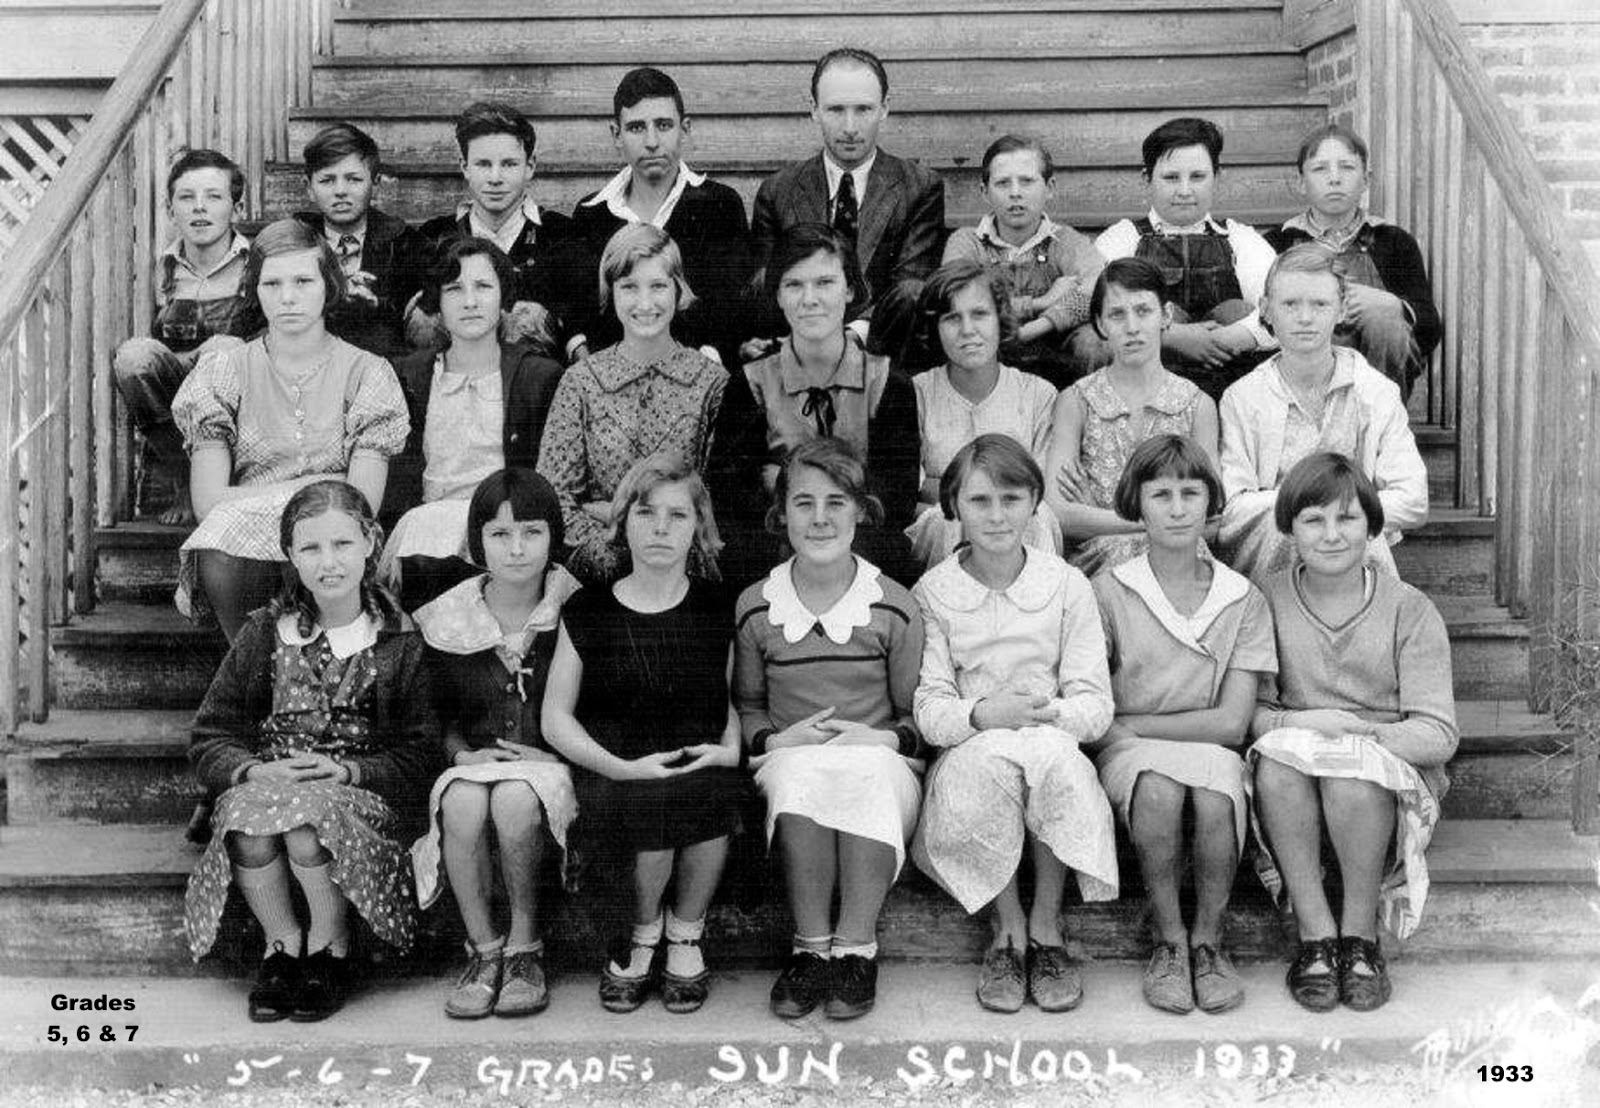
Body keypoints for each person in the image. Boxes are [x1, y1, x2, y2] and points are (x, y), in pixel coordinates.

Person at [183, 480, 437, 1022]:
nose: (329, 562)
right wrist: (251, 771)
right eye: (311, 548)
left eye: (342, 544)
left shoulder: (397, 640)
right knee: (249, 824)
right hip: (268, 787)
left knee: (305, 826)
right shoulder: (264, 634)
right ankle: (281, 946)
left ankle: (330, 946)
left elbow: (420, 752)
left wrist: (348, 771)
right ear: (290, 555)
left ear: (370, 543)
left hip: (354, 795)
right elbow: (210, 735)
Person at [910, 434, 1117, 1014]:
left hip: (1048, 730)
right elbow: (930, 708)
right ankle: (1007, 928)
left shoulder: (1066, 585)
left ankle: (1047, 925)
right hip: (971, 743)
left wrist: (1042, 714)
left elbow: (1094, 703)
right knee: (991, 763)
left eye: (1011, 498)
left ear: (1034, 503)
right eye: (979, 501)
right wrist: (982, 714)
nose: (997, 515)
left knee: (1050, 758)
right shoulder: (934, 592)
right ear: (953, 505)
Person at [1249, 452, 1457, 1012]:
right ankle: (1315, 935)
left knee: (1350, 778)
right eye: (1313, 520)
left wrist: (1359, 736)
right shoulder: (1265, 599)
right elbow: (1252, 713)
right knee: (1278, 764)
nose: (1331, 534)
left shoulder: (1409, 609)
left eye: (1347, 518)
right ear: (1289, 528)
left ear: (1371, 525)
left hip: (1382, 771)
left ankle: (1361, 937)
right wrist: (1302, 724)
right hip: (1294, 765)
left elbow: (1438, 732)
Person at [542, 453, 744, 1014]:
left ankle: (685, 934)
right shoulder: (588, 609)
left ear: (698, 528)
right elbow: (556, 718)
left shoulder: (714, 607)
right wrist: (621, 767)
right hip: (615, 765)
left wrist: (729, 750)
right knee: (649, 799)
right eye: (646, 512)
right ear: (622, 521)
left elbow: (729, 698)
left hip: (695, 758)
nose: (660, 528)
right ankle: (641, 932)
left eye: (677, 516)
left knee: (709, 789)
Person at [733, 438, 925, 1021]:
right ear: (781, 513)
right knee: (799, 775)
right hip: (792, 756)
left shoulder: (894, 606)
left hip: (879, 757)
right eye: (804, 503)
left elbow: (915, 715)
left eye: (836, 502)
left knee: (865, 771)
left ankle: (857, 947)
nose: (820, 518)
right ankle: (811, 948)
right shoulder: (756, 606)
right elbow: (748, 706)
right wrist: (774, 741)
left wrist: (883, 739)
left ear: (861, 511)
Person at [1088, 434, 1277, 1015]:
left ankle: (1209, 941)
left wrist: (1136, 724)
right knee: (1158, 789)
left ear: (1211, 502)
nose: (1176, 508)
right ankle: (1169, 940)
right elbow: (1097, 710)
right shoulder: (1108, 591)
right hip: (1130, 756)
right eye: (1161, 494)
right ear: (1137, 503)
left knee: (1217, 795)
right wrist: (1124, 731)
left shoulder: (1242, 597)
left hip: (1194, 746)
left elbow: (1232, 723)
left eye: (1190, 493)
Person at [172, 218, 409, 641]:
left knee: (329, 532)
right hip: (246, 552)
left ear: (329, 286)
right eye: (272, 284)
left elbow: (362, 500)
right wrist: (312, 484)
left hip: (335, 538)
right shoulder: (224, 371)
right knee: (221, 535)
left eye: (303, 281)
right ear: (255, 290)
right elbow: (208, 502)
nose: (288, 297)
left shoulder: (366, 372)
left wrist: (288, 500)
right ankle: (251, 663)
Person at [410, 468, 582, 1019]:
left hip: (551, 762)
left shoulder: (576, 608)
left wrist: (555, 752)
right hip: (474, 760)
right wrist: (461, 753)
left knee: (513, 798)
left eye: (531, 532)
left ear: (553, 536)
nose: (516, 549)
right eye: (499, 534)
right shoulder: (448, 616)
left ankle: (525, 946)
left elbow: (599, 704)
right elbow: (431, 712)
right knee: (462, 800)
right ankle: (484, 948)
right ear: (477, 540)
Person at [709, 223, 919, 589]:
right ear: (778, 295)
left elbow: (897, 499)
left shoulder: (888, 383)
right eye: (794, 285)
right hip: (774, 548)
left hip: (862, 549)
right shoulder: (751, 382)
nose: (810, 299)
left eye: (824, 283)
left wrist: (783, 480)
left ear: (849, 289)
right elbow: (731, 498)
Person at [1218, 244, 1428, 583]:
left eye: (1320, 304)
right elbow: (1232, 507)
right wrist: (1308, 515)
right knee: (1291, 526)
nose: (1305, 318)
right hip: (1273, 555)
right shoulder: (1242, 398)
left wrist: (1337, 516)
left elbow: (1413, 499)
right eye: (1290, 304)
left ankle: (1370, 615)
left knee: (1355, 528)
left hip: (1354, 557)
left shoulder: (1376, 391)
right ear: (1266, 310)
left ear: (1342, 309)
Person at [536, 224, 727, 584]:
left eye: (658, 286)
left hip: (685, 568)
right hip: (597, 569)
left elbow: (712, 500)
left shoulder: (711, 383)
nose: (645, 303)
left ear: (678, 290)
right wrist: (615, 546)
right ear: (611, 291)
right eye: (629, 287)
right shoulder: (581, 381)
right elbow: (554, 496)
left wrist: (619, 514)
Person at [381, 238, 565, 610]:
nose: (470, 301)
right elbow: (396, 480)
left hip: (506, 533)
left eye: (483, 286)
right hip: (425, 542)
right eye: (454, 289)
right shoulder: (408, 376)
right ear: (436, 302)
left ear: (503, 296)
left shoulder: (538, 376)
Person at [748, 48, 943, 350]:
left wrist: (850, 337)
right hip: (798, 347)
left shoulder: (919, 186)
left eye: (863, 109)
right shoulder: (777, 191)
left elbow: (910, 286)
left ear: (884, 108)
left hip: (881, 350)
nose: (850, 127)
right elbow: (767, 288)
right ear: (814, 109)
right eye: (836, 110)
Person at [1045, 258, 1219, 578]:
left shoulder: (1197, 405)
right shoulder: (1077, 401)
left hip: (1183, 559)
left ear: (1166, 315)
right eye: (1117, 315)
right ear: (1100, 324)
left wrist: (1097, 516)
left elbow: (1210, 517)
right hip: (1102, 559)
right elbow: (1059, 511)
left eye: (1143, 311)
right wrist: (1161, 523)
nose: (1132, 327)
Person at [567, 67, 752, 365]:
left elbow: (731, 310)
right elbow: (584, 314)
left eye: (664, 125)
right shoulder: (591, 214)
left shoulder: (721, 206)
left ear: (685, 129)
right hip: (612, 378)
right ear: (616, 134)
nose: (652, 141)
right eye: (636, 127)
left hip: (700, 375)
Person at [113, 149, 259, 525]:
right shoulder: (159, 270)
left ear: (237, 209)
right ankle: (184, 475)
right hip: (174, 396)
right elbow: (148, 350)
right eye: (186, 197)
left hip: (238, 398)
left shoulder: (257, 265)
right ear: (170, 209)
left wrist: (218, 353)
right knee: (133, 357)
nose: (199, 208)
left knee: (224, 351)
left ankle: (220, 477)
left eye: (213, 196)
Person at [1095, 117, 1279, 402]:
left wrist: (1224, 338)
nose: (1184, 190)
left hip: (1228, 370)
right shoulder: (1122, 239)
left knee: (1236, 311)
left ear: (1217, 177)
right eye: (1171, 178)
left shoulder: (1240, 239)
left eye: (1197, 177)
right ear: (1147, 179)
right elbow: (1102, 312)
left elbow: (1282, 305)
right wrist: (1172, 336)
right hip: (1150, 376)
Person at [1266, 123, 1441, 400]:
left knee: (1384, 319)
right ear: (1301, 181)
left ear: (1366, 180)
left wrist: (1391, 304)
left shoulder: (1393, 241)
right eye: (1320, 169)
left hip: (1380, 369)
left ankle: (1380, 420)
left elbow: (1430, 327)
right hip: (1304, 371)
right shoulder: (1279, 243)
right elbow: (1264, 320)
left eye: (1347, 168)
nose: (1334, 179)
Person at [905, 260, 1060, 568]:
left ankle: (1035, 597)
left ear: (1000, 319)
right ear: (935, 328)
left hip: (1023, 529)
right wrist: (994, 494)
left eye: (979, 314)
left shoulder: (1038, 395)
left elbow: (1038, 491)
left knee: (1037, 516)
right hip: (940, 533)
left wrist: (949, 486)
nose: (968, 330)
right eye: (952, 318)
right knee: (949, 518)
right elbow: (911, 493)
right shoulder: (916, 393)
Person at [414, 101, 579, 357]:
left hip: (532, 379)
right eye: (483, 164)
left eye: (509, 164)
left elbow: (577, 324)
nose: (495, 178)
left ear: (530, 166)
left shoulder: (561, 235)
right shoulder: (435, 236)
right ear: (465, 167)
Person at [941, 135, 1105, 388]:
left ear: (1049, 187)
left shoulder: (1067, 241)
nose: (1015, 193)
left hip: (1056, 352)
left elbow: (1097, 286)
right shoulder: (968, 243)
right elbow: (957, 300)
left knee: (1095, 342)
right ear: (985, 192)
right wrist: (1042, 301)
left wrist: (1034, 327)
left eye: (1027, 181)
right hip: (987, 348)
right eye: (1003, 183)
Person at [294, 122, 426, 359]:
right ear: (309, 187)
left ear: (375, 183)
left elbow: (413, 316)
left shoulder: (404, 243)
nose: (340, 191)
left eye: (354, 179)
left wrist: (376, 304)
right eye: (327, 180)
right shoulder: (293, 241)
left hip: (383, 364)